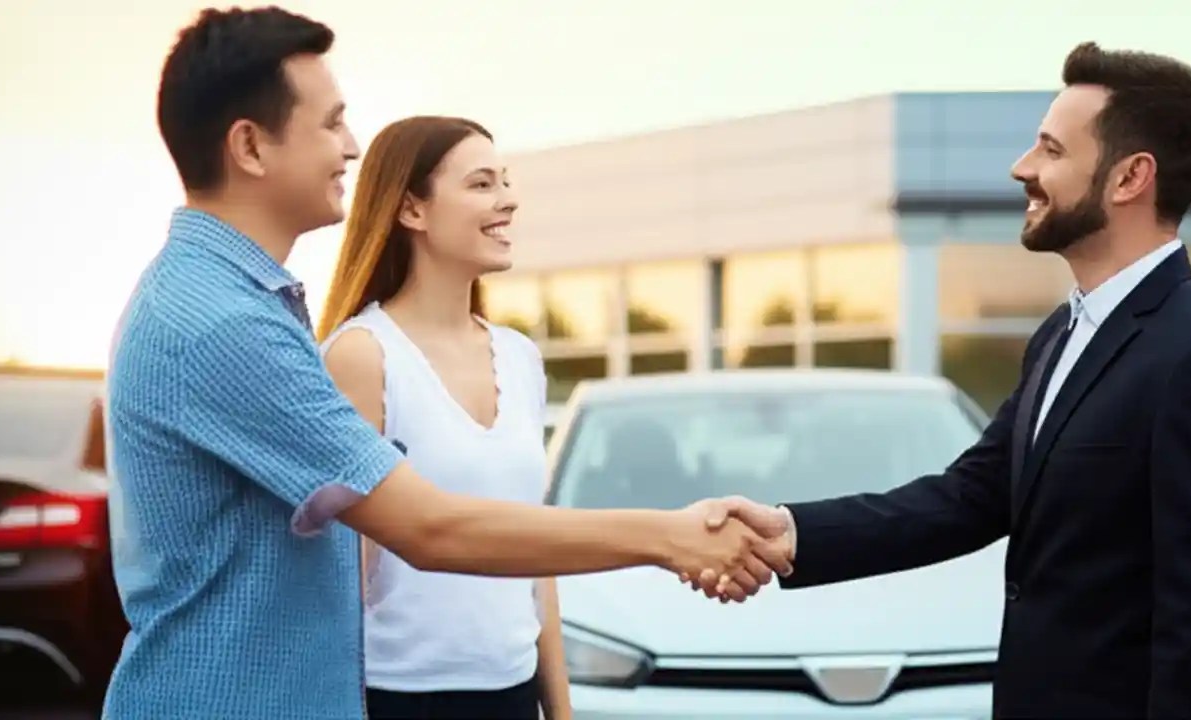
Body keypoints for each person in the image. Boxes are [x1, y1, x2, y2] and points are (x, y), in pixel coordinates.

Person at [102, 8, 787, 719]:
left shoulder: (227, 300)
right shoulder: (222, 324)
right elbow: (429, 529)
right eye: (331, 123)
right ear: (250, 146)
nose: (353, 146)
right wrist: (669, 538)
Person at [700, 42, 1191, 718]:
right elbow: (969, 497)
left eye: (1051, 150)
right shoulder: (1060, 334)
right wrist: (790, 533)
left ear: (1129, 177)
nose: (1023, 168)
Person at [314, 116, 566, 720]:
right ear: (412, 210)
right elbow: (339, 574)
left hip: (512, 691)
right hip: (396, 697)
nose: (509, 199)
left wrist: (558, 709)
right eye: (482, 184)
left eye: (504, 181)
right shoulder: (360, 355)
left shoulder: (520, 356)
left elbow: (539, 552)